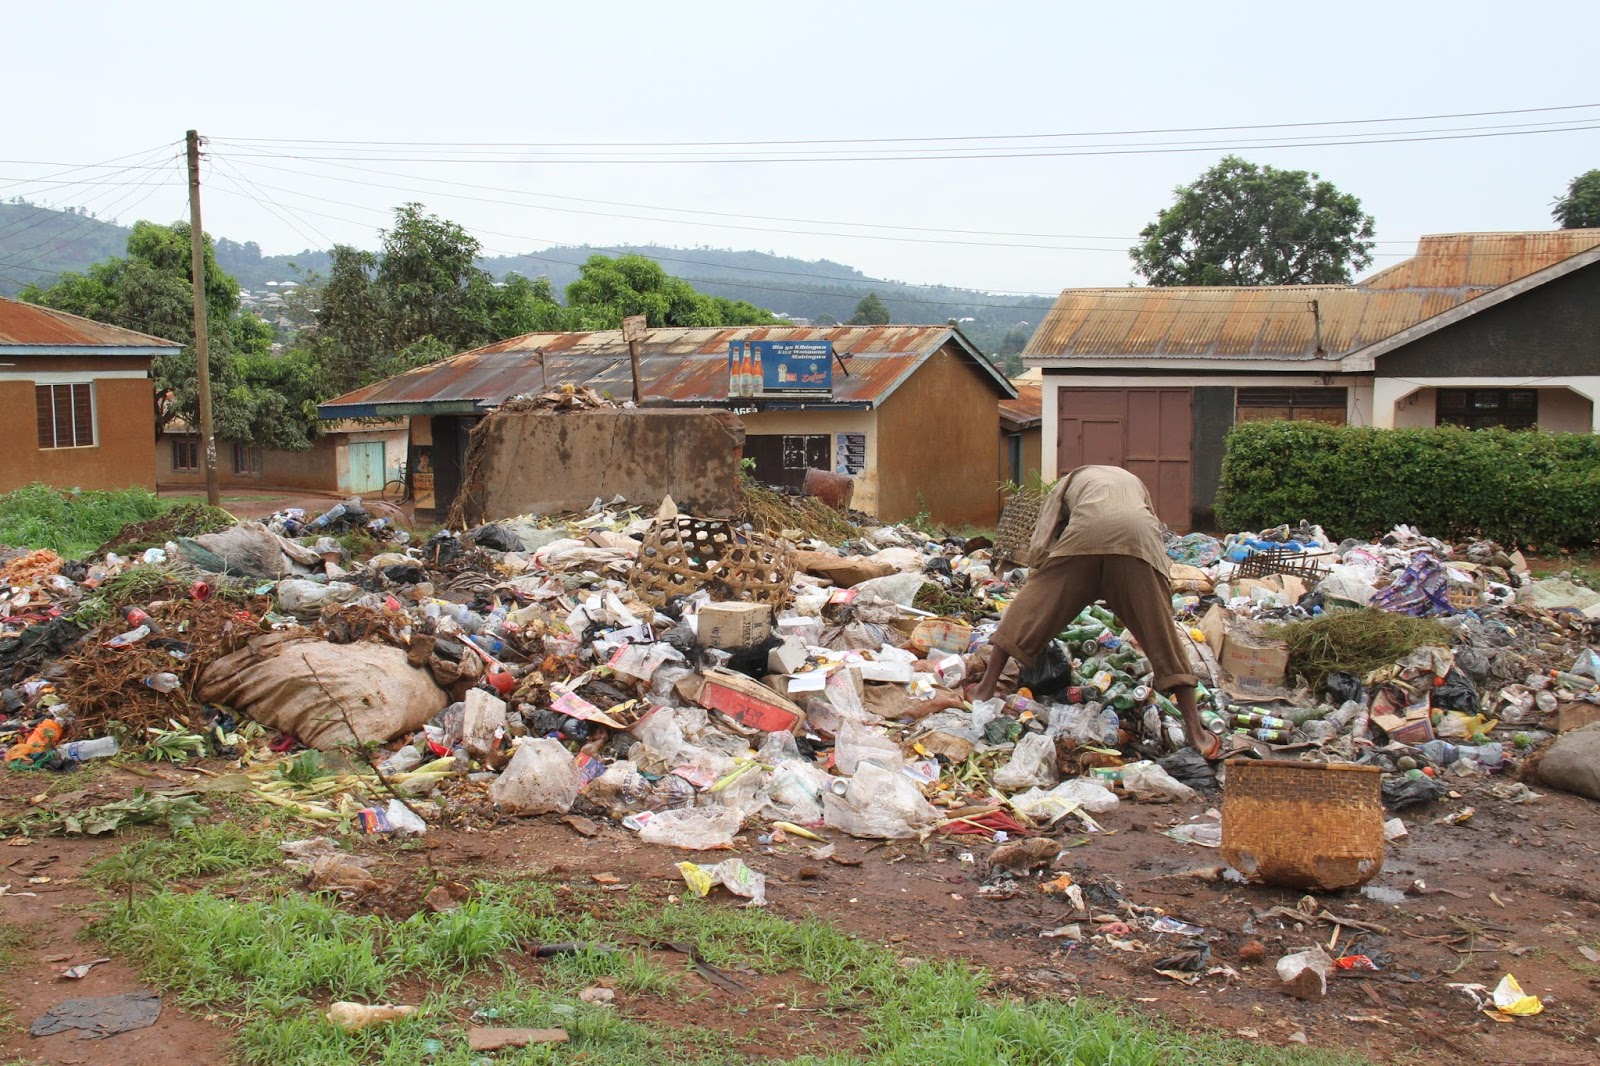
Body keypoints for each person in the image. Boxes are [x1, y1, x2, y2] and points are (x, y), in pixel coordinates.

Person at [968, 465, 1222, 760]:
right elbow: (1149, 527)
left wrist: (1043, 576)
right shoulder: (1135, 484)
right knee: (1162, 635)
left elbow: (1044, 535)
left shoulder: (1066, 485)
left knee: (1024, 612)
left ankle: (985, 689)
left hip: (1084, 539)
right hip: (1136, 543)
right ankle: (1196, 733)